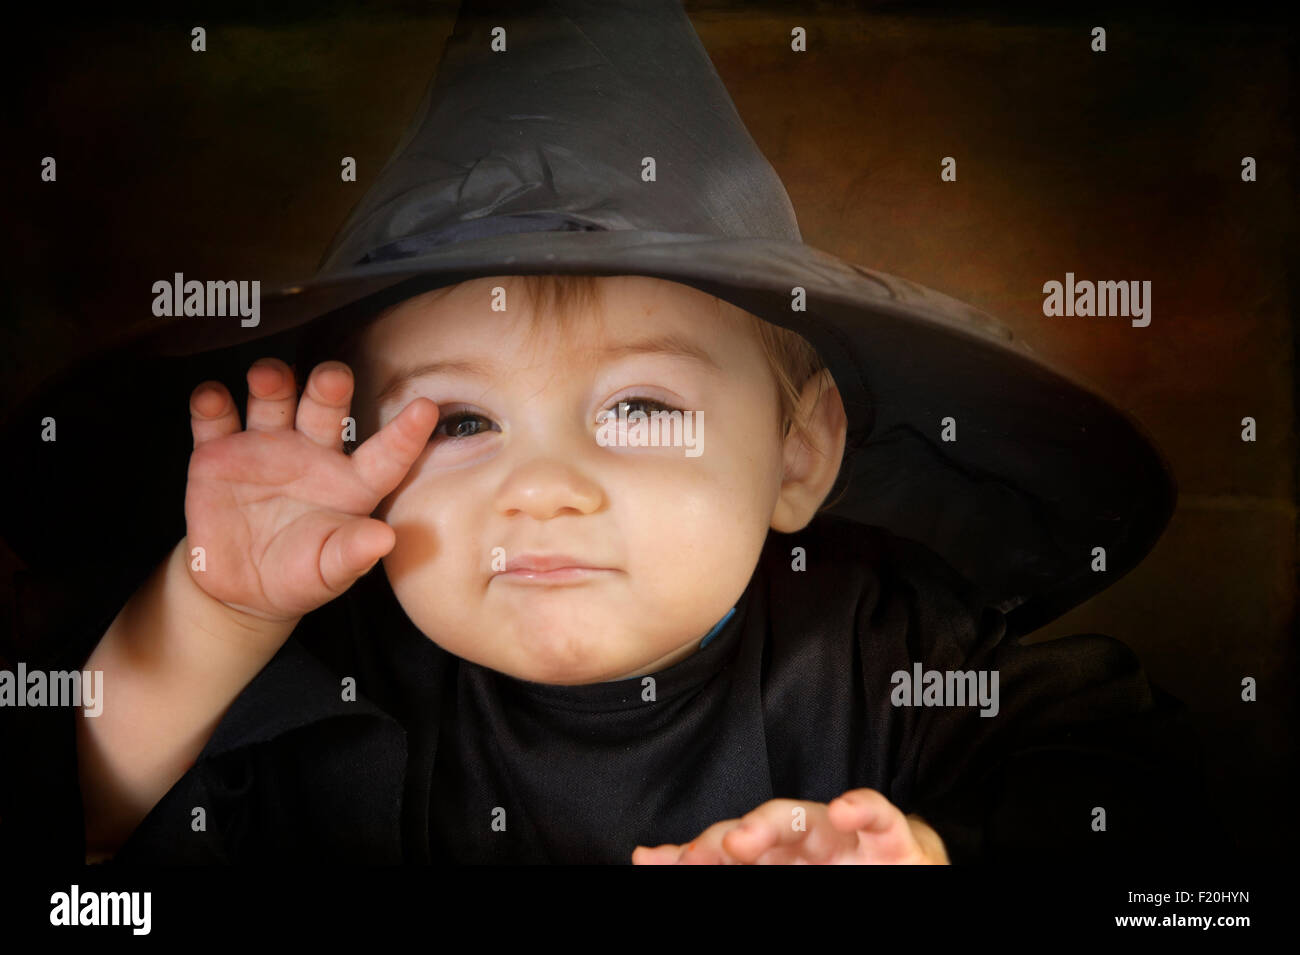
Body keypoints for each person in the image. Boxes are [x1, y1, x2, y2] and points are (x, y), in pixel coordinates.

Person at [0, 0, 1208, 864]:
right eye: (459, 419)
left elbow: (1147, 797)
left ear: (796, 456)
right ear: (359, 462)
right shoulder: (331, 672)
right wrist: (215, 616)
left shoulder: (876, 648)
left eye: (639, 408)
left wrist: (927, 852)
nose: (542, 489)